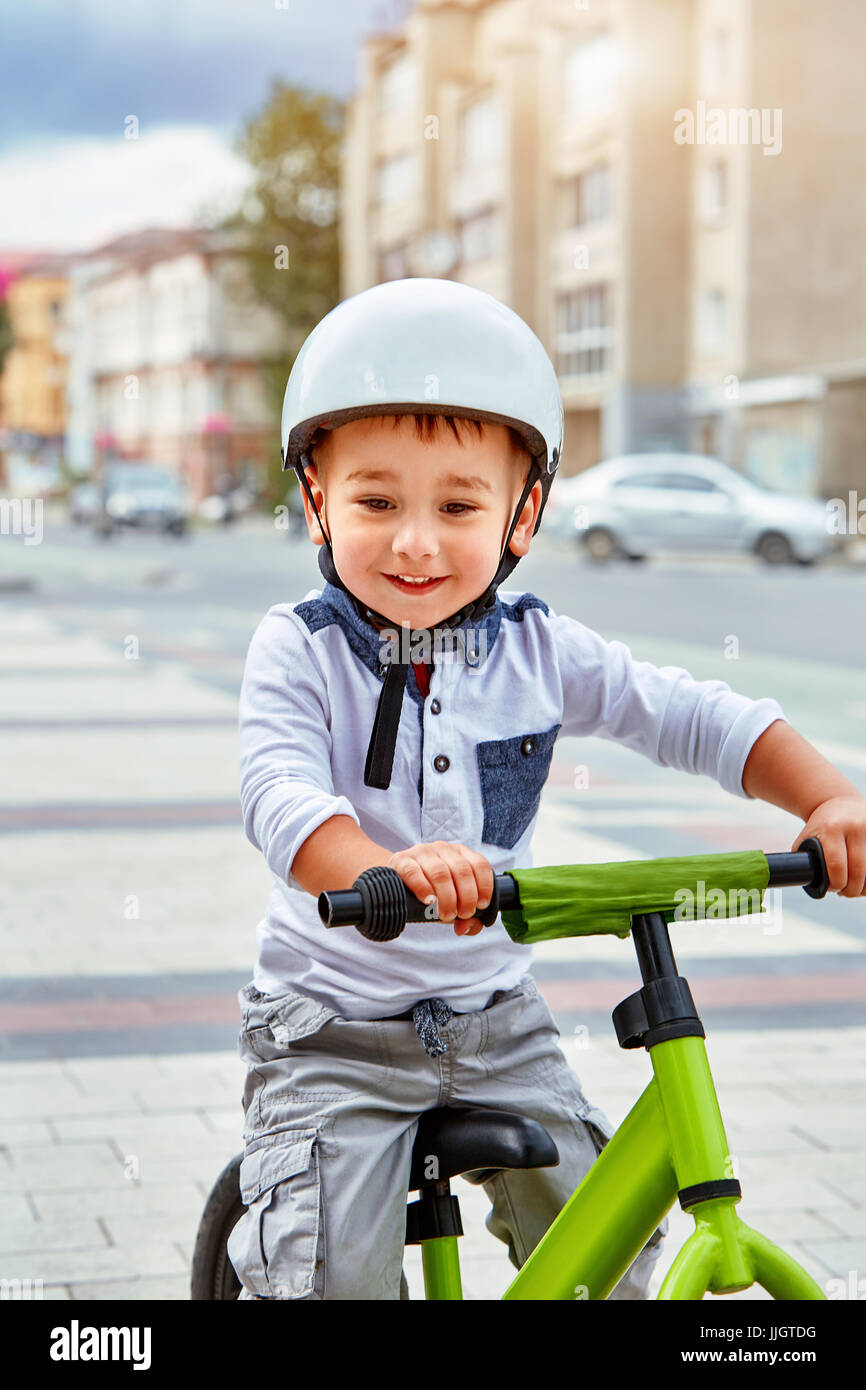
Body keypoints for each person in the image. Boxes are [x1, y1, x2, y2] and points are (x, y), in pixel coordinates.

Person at [227, 278, 866, 1301]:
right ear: (316, 497)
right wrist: (381, 866)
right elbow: (279, 792)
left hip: (495, 1022)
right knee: (331, 1279)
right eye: (376, 501)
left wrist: (826, 798)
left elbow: (688, 713)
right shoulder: (297, 648)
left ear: (523, 511)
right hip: (332, 1030)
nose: (416, 541)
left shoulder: (536, 648)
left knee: (607, 1249)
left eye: (458, 504)